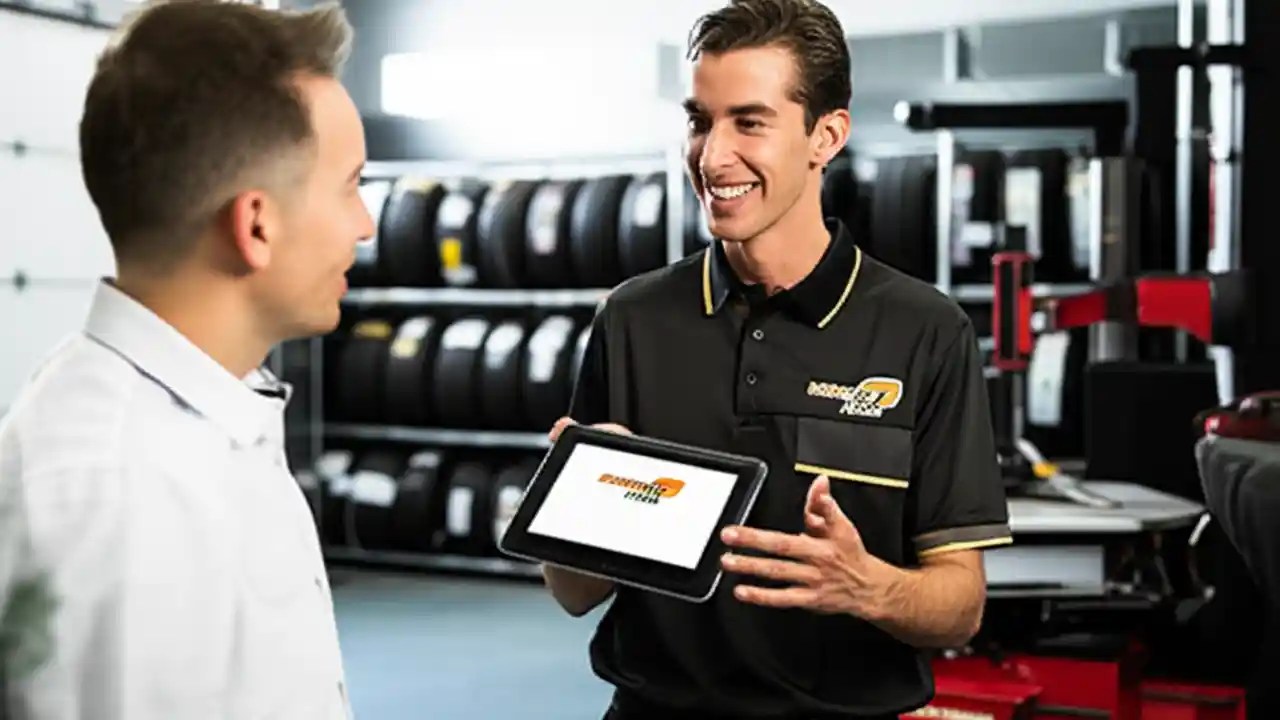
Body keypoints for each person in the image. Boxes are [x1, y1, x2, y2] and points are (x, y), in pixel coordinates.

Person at [544, 0, 1013, 718]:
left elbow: (961, 606)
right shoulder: (631, 319)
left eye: (749, 122)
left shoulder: (926, 332)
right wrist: (581, 506)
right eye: (700, 120)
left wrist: (866, 586)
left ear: (826, 136)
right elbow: (574, 593)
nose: (711, 155)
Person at [0, 1, 370, 717]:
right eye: (352, 185)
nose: (366, 223)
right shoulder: (115, 496)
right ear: (256, 224)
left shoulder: (209, 419)